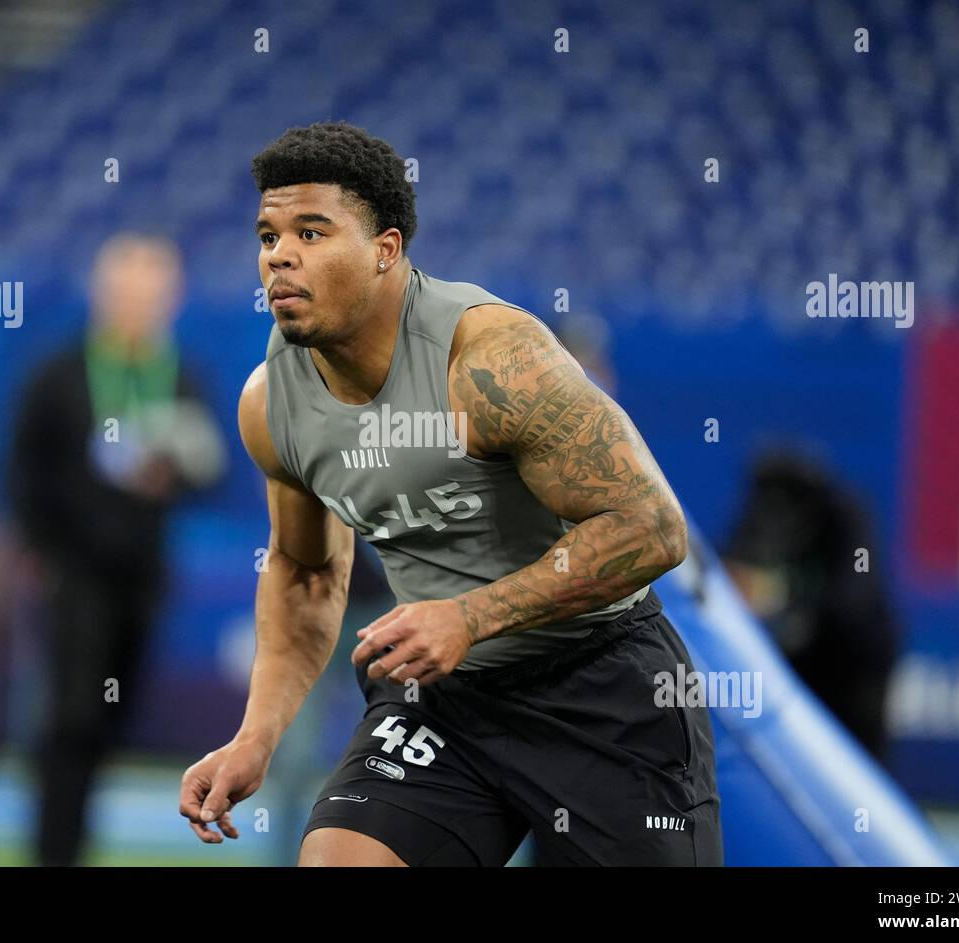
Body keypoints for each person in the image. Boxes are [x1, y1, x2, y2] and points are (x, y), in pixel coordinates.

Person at [179, 122, 720, 866]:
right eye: (268, 235)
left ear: (386, 250)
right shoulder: (268, 404)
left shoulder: (495, 361)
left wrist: (471, 616)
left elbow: (652, 527)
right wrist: (256, 737)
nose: (280, 255)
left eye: (311, 231)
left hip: (602, 689)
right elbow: (306, 574)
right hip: (443, 701)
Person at [9, 233, 227, 865]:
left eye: (151, 294)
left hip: (143, 575)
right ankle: (54, 853)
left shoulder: (181, 374)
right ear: (102, 294)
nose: (138, 306)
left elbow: (210, 470)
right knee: (70, 719)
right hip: (76, 575)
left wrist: (174, 472)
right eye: (127, 292)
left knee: (110, 718)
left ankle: (75, 844)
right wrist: (45, 553)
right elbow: (24, 469)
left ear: (171, 299)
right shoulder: (59, 374)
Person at [721, 448, 900, 761]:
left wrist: (788, 602)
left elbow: (852, 600)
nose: (775, 508)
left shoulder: (845, 516)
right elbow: (730, 573)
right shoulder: (762, 512)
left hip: (854, 664)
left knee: (857, 761)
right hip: (801, 664)